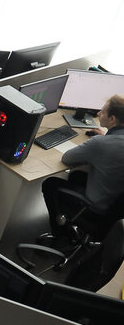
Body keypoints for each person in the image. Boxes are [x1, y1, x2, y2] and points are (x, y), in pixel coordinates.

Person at [42, 94, 124, 233]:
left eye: (102, 112)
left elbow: (67, 159)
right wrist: (105, 139)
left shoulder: (99, 144)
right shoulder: (109, 141)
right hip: (116, 209)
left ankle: (60, 231)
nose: (98, 114)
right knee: (77, 176)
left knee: (50, 184)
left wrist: (99, 143)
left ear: (112, 119)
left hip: (97, 209)